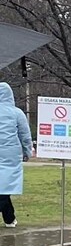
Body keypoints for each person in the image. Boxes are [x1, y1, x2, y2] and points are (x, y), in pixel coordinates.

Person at [0, 83, 31, 229]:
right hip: (10, 155)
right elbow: (25, 135)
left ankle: (10, 218)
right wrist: (27, 151)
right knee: (5, 186)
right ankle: (9, 218)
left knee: (3, 189)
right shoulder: (17, 113)